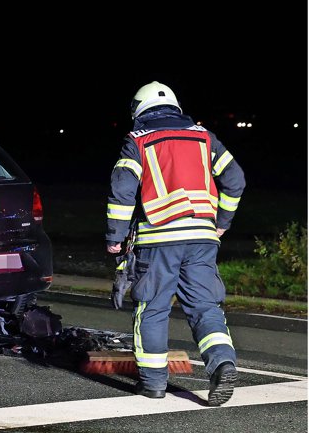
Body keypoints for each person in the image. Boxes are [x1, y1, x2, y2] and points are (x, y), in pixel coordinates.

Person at [106, 81, 245, 405]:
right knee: (204, 307)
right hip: (202, 238)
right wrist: (221, 223)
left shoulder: (137, 141)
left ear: (138, 110)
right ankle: (222, 362)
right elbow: (235, 180)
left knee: (152, 308)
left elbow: (123, 191)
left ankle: (154, 384)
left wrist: (115, 238)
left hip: (159, 241)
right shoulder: (204, 136)